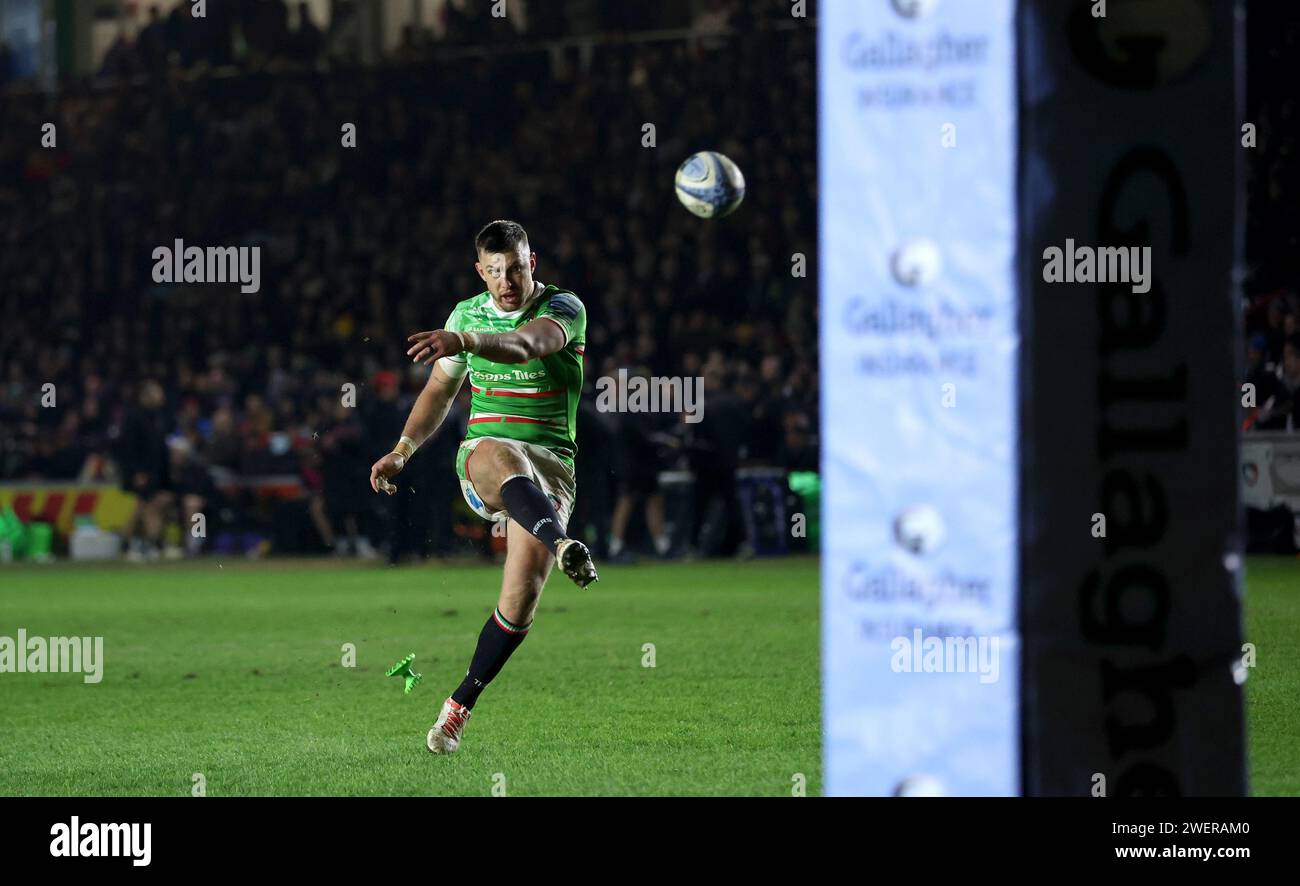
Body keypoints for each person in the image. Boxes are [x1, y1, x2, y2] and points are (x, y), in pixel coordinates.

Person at [369, 220, 598, 755]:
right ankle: (561, 541)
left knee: (519, 602)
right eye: (495, 270)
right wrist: (402, 451)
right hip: (487, 459)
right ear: (480, 270)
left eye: (515, 267)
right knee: (501, 450)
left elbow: (525, 346)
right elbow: (440, 390)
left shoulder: (563, 308)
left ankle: (458, 706)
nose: (506, 280)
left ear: (531, 262)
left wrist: (463, 340)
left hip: (553, 467)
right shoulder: (464, 312)